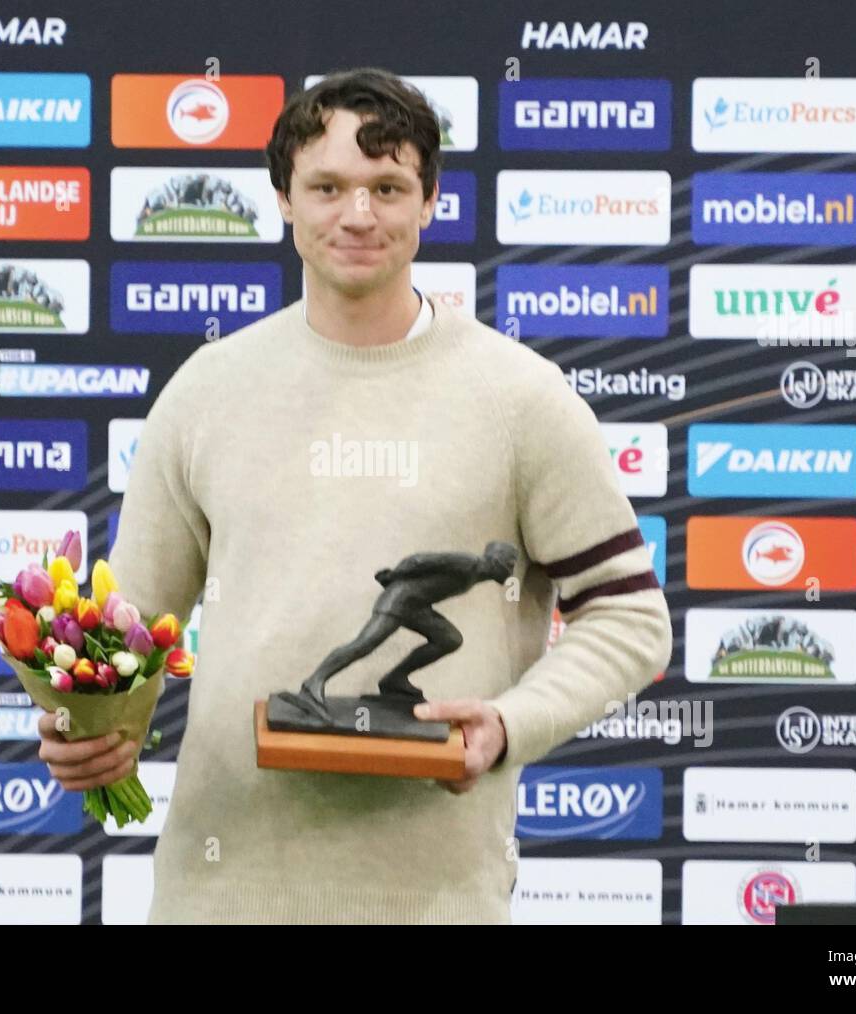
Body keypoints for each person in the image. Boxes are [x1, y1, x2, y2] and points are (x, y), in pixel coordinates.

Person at [38, 66, 672, 924]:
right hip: (219, 894)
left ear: (431, 201)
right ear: (284, 201)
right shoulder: (206, 390)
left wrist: (508, 722)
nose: (360, 214)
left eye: (388, 186)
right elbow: (131, 628)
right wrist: (96, 730)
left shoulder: (521, 399)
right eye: (328, 186)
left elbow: (630, 618)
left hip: (435, 900)